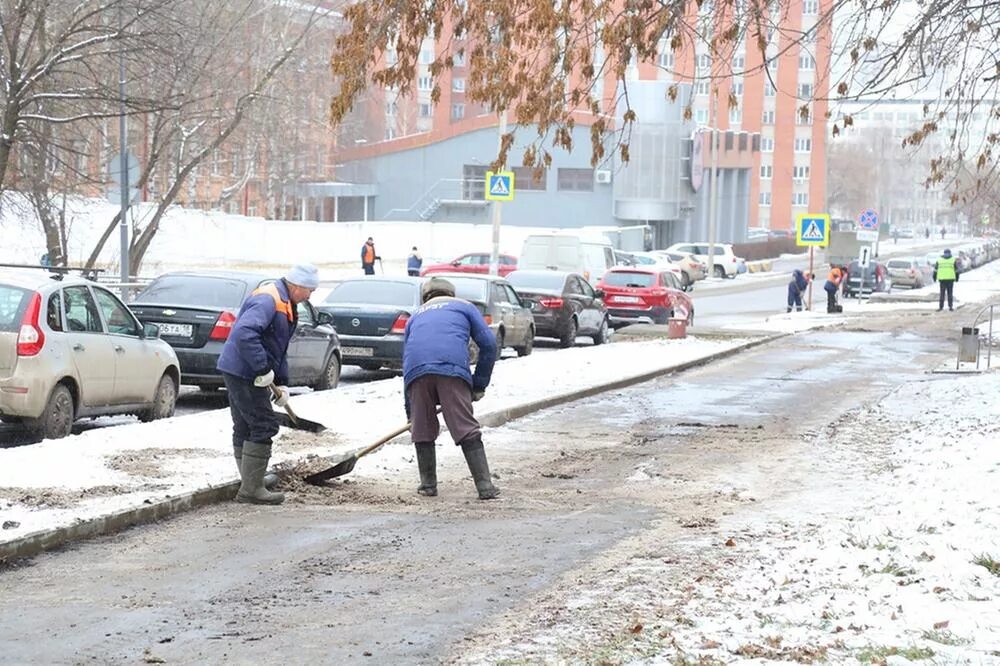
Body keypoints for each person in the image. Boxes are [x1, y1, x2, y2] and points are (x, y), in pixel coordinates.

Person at [216, 263, 319, 505]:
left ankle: (252, 479)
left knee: (245, 425)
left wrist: (281, 382)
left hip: (242, 369)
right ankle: (251, 489)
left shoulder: (286, 302)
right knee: (264, 425)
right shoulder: (268, 299)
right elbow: (244, 334)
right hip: (244, 371)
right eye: (309, 290)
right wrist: (261, 368)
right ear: (297, 286)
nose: (310, 296)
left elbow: (278, 347)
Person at [402, 277, 500, 500]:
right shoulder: (465, 307)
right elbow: (489, 345)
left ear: (426, 297)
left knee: (422, 428)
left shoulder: (415, 316)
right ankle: (485, 487)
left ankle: (428, 486)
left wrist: (411, 414)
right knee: (465, 427)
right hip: (451, 368)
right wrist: (479, 383)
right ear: (451, 294)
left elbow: (407, 360)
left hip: (416, 372)